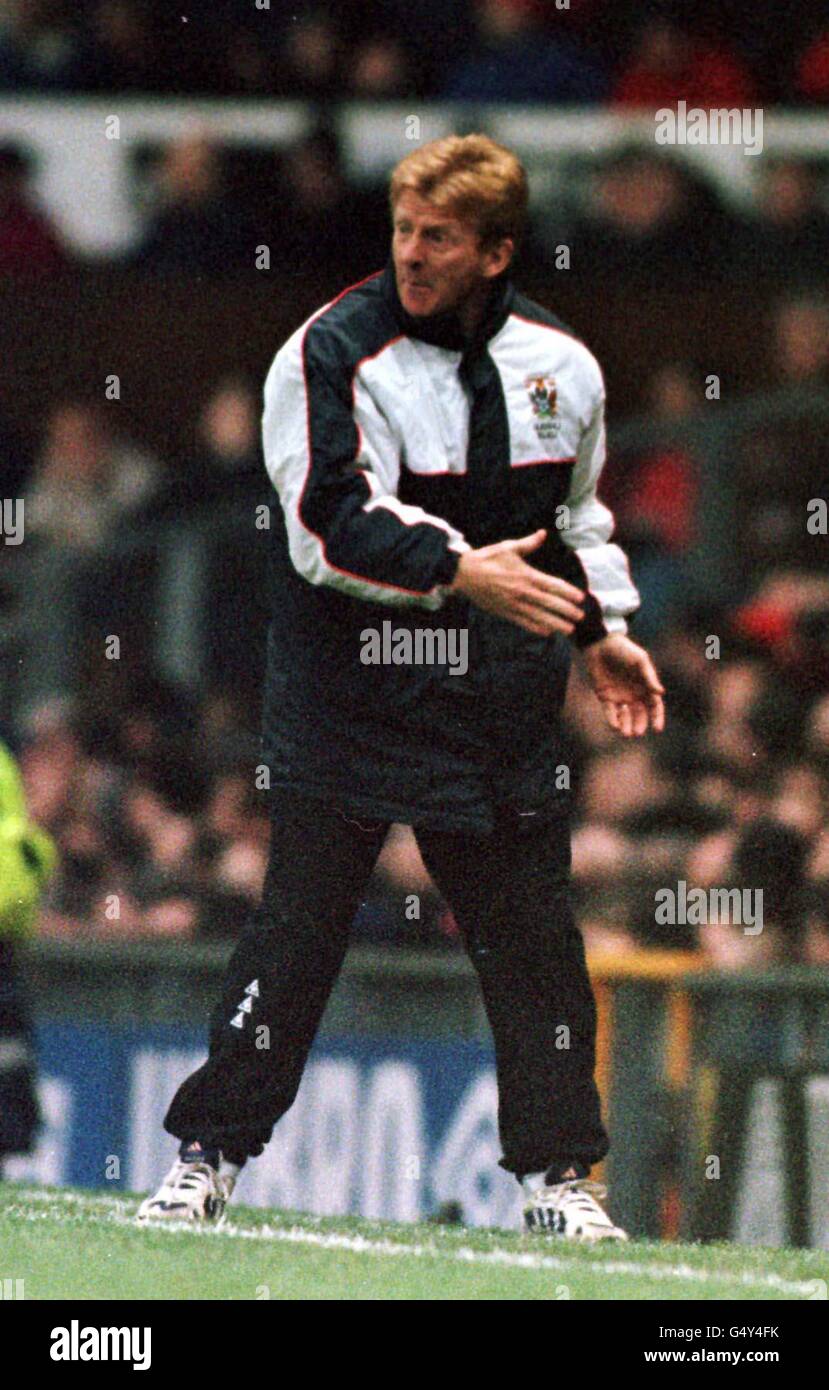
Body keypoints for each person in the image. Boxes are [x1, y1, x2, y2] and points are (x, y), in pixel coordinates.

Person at [138, 134, 665, 1239]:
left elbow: (576, 517)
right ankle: (209, 1158)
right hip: (351, 683)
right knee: (300, 928)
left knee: (530, 932)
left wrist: (604, 629)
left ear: (496, 251)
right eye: (402, 231)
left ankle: (556, 1180)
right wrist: (460, 570)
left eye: (438, 237)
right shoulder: (328, 354)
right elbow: (326, 525)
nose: (412, 255)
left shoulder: (563, 367)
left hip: (496, 690)